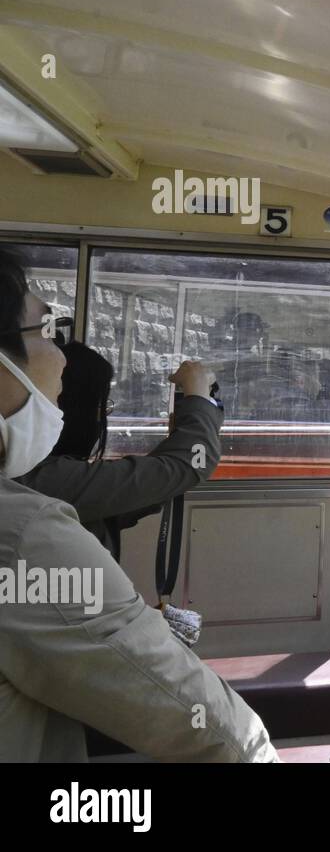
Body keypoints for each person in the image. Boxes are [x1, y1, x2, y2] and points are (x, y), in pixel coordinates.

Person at [0, 247, 277, 762]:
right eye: (45, 331)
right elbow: (201, 722)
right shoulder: (27, 522)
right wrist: (200, 402)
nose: (59, 355)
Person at [19, 342, 222, 562]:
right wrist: (198, 401)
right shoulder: (46, 479)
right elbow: (192, 462)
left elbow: (134, 489)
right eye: (100, 406)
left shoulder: (40, 476)